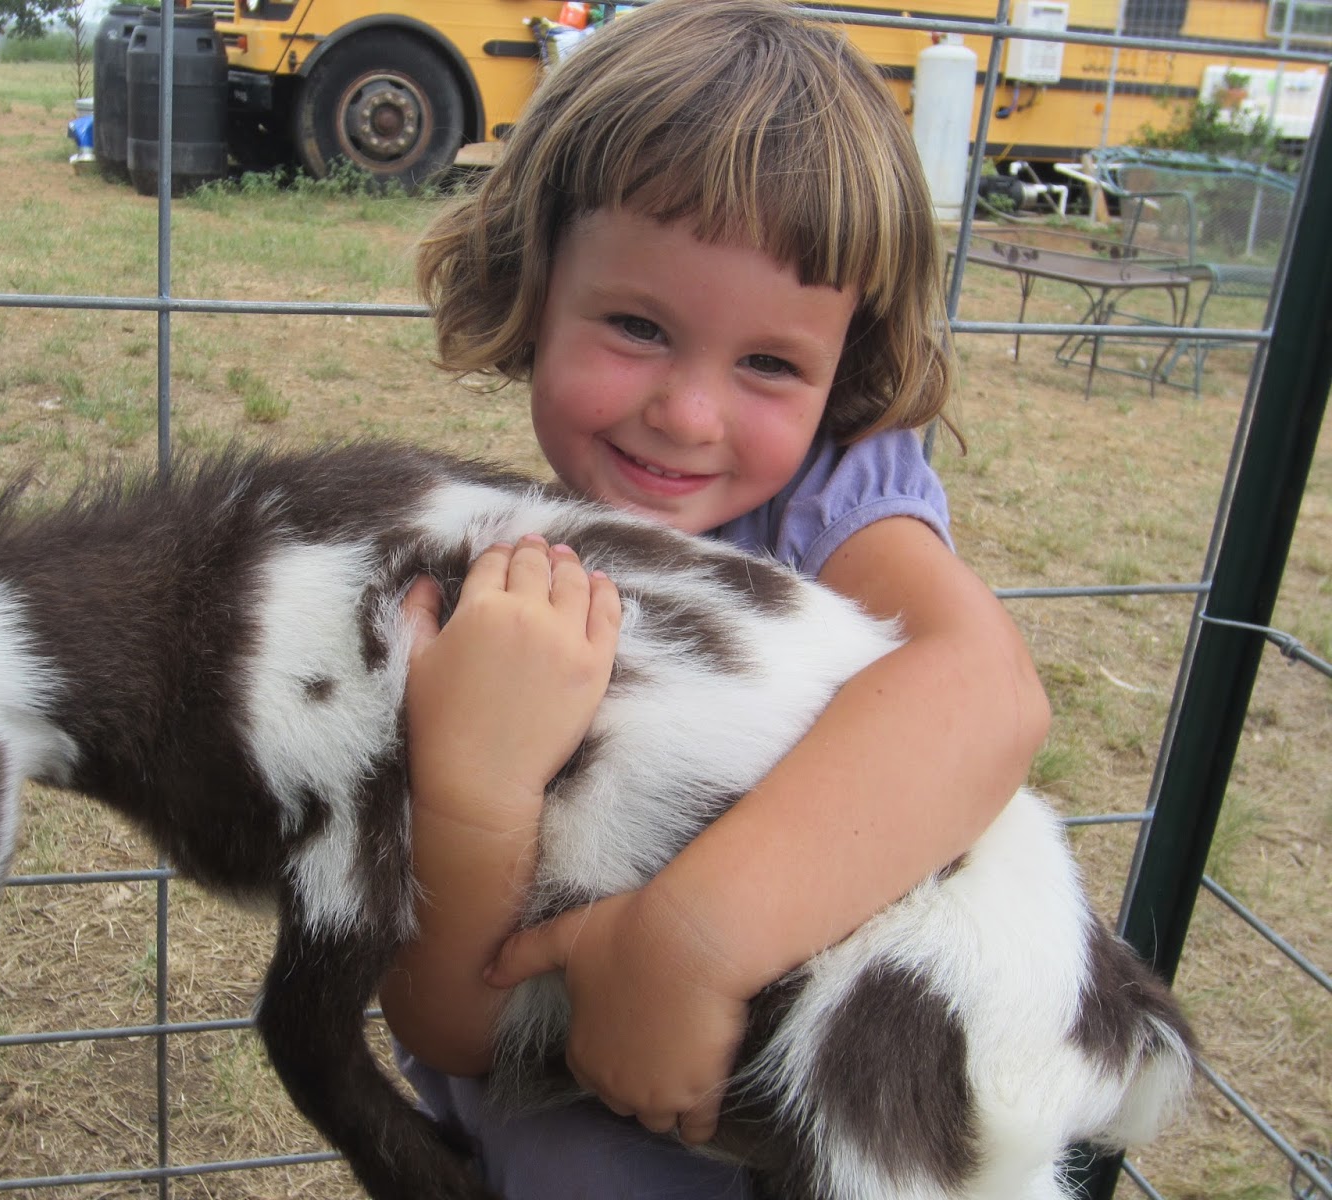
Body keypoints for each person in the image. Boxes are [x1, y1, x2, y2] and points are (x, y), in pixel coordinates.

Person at [378, 1, 1052, 1195]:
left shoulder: (831, 512)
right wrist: (474, 783)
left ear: (848, 363)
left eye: (769, 363)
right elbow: (450, 1028)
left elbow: (986, 693)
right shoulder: (503, 582)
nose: (688, 416)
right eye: (638, 326)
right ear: (536, 285)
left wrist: (687, 945)